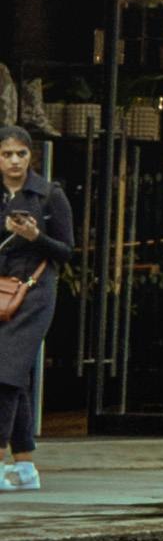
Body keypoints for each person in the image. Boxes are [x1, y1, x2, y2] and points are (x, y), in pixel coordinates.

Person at [0, 126, 73, 495]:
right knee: (15, 376)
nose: (14, 161)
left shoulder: (49, 195)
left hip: (35, 293)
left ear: (31, 156)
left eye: (21, 154)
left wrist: (35, 237)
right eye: (7, 154)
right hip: (0, 293)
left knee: (4, 372)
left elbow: (66, 251)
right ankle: (25, 466)